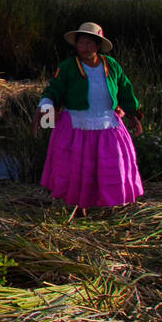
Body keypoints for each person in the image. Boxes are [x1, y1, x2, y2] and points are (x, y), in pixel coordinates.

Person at [36, 22, 145, 211]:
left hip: (107, 125)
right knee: (77, 168)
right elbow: (54, 88)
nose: (85, 48)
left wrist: (133, 115)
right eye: (81, 43)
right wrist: (45, 106)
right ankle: (78, 206)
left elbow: (125, 91)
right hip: (77, 125)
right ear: (76, 45)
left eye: (89, 43)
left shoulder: (111, 66)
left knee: (111, 165)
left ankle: (108, 204)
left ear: (98, 45)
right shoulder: (68, 67)